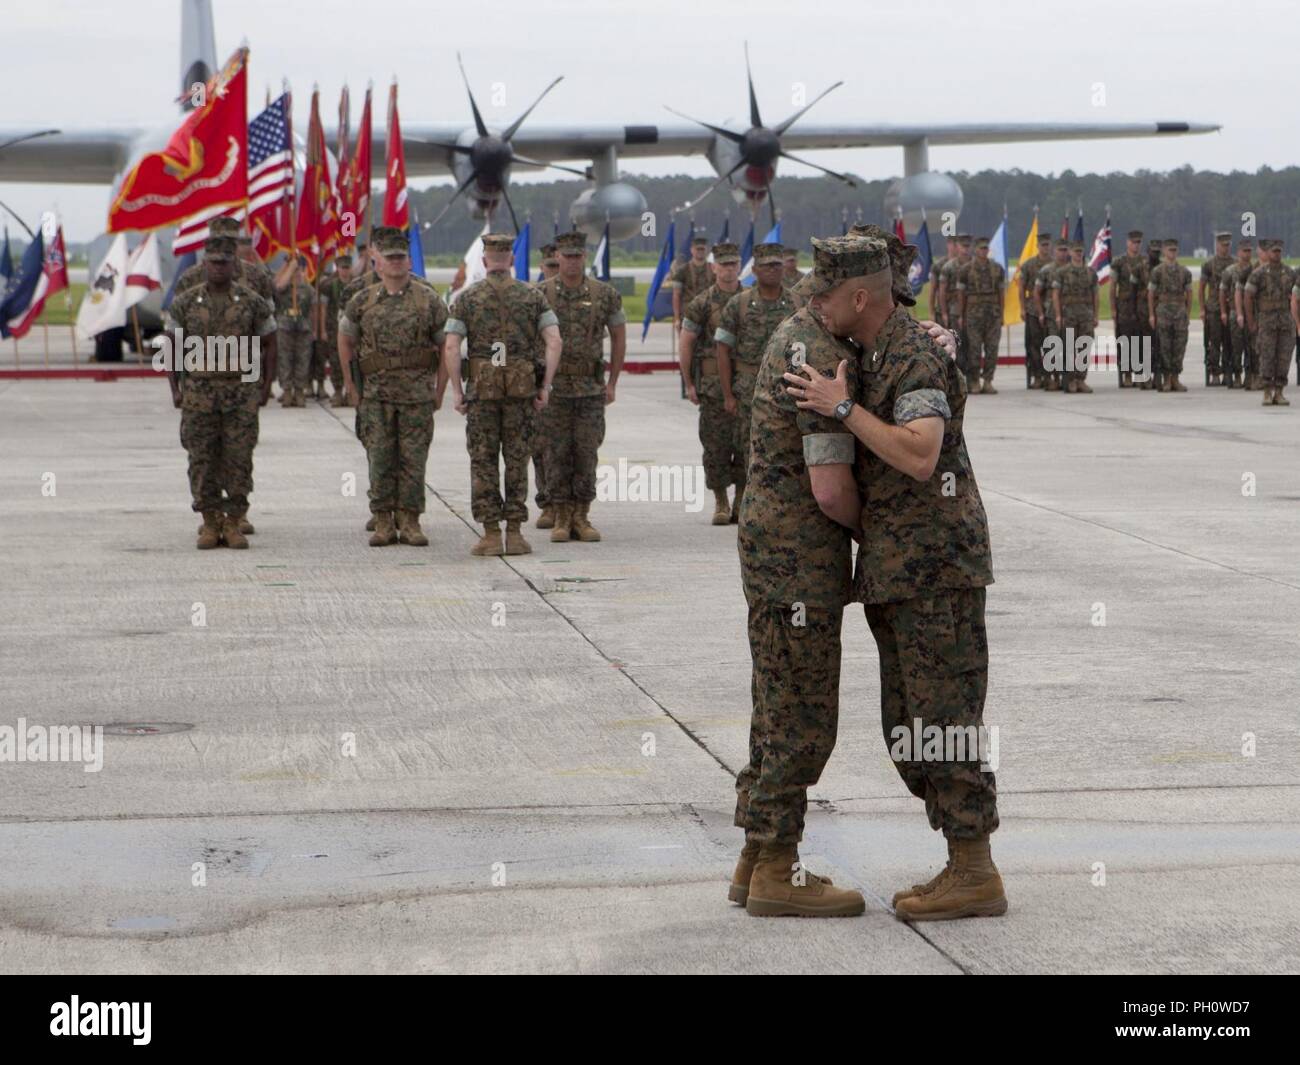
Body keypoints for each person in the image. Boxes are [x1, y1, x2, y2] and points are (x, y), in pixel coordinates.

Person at [785, 234, 1005, 923]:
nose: (814, 304)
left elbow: (919, 452)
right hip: (901, 569)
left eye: (824, 293)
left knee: (944, 718)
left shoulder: (910, 353)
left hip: (935, 569)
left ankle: (975, 867)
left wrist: (842, 409)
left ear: (859, 297)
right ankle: (960, 861)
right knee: (911, 724)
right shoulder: (883, 350)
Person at [732, 236, 869, 919]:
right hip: (799, 558)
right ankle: (778, 869)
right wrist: (877, 534)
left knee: (773, 697)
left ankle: (754, 855)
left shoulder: (791, 331)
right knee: (802, 714)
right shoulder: (817, 352)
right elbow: (827, 488)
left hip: (768, 549)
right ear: (839, 294)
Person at [442, 234, 561, 555]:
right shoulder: (532, 297)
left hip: (482, 391)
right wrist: (545, 385)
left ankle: (491, 533)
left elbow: (452, 346)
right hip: (522, 394)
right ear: (510, 260)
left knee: (483, 461)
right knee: (517, 460)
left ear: (484, 261)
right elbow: (554, 341)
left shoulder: (467, 298)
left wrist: (457, 390)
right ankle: (516, 533)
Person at [163, 235, 277, 549]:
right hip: (199, 395)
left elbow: (269, 344)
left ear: (234, 264)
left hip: (240, 394)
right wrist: (175, 388)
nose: (218, 268)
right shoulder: (186, 302)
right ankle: (210, 521)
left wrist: (266, 386)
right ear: (204, 263)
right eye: (213, 262)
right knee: (202, 458)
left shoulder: (250, 301)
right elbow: (172, 346)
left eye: (225, 262)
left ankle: (234, 520)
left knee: (239, 458)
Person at [338, 226, 449, 546]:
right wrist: (351, 386)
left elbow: (446, 346)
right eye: (390, 258)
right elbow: (345, 341)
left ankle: (411, 520)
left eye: (401, 257)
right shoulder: (362, 301)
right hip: (376, 395)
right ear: (378, 263)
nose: (396, 263)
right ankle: (384, 520)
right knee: (380, 457)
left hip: (416, 395)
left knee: (414, 460)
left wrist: (440, 389)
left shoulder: (428, 300)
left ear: (409, 261)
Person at [537, 230, 626, 543]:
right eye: (566, 256)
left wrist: (612, 381)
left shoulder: (604, 294)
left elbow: (618, 336)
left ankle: (582, 515)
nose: (572, 261)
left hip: (590, 388)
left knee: (587, 452)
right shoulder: (541, 294)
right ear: (557, 257)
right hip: (555, 389)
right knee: (555, 453)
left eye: (577, 255)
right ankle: (560, 516)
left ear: (584, 257)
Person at [716, 243, 798, 516]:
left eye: (778, 264)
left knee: (787, 447)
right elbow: (723, 350)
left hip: (788, 387)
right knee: (745, 446)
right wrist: (728, 394)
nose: (774, 270)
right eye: (767, 265)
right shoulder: (738, 305)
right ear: (754, 270)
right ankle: (744, 499)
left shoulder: (797, 304)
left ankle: (781, 503)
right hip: (747, 388)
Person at [679, 242, 743, 524]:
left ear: (740, 266)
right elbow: (686, 344)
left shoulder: (750, 299)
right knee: (715, 446)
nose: (728, 269)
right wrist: (689, 384)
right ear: (714, 267)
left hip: (745, 386)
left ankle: (742, 499)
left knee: (745, 445)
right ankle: (721, 501)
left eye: (733, 264)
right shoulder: (702, 303)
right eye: (724, 264)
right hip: (712, 387)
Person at [1245, 238, 1296, 406]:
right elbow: (1248, 296)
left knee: (1284, 357)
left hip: (1285, 321)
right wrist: (1251, 320)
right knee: (1267, 356)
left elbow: (1296, 294)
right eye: (1274, 251)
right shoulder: (1258, 273)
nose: (1277, 254)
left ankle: (1279, 392)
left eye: (1279, 251)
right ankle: (1267, 391)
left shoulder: (1289, 273)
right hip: (1266, 320)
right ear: (1267, 253)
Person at [958, 236, 1006, 394]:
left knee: (992, 348)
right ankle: (973, 381)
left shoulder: (997, 269)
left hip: (993, 314)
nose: (983, 251)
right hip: (974, 314)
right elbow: (961, 294)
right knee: (974, 349)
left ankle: (988, 381)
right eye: (981, 248)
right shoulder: (966, 270)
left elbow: (1001, 292)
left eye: (986, 248)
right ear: (975, 250)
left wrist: (1002, 313)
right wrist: (961, 314)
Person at [1052, 241, 1099, 393]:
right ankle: (1070, 380)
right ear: (1070, 253)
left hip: (1086, 314)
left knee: (1084, 347)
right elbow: (1056, 295)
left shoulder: (1090, 272)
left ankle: (1081, 379)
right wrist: (1058, 315)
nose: (1078, 254)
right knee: (1069, 348)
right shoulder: (1062, 272)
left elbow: (1095, 295)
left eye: (1080, 251)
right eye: (1076, 251)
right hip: (1069, 314)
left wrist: (1096, 315)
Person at [1147, 239, 1193, 392]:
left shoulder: (1185, 272)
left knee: (1179, 345)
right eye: (1169, 250)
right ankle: (1167, 378)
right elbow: (1151, 293)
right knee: (1165, 346)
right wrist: (1152, 315)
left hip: (1180, 311)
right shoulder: (1158, 271)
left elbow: (1189, 293)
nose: (1172, 253)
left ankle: (1175, 377)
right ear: (1164, 251)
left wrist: (1187, 312)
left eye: (1174, 250)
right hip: (1164, 311)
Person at [273, 256, 316, 407]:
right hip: (285, 327)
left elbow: (313, 311)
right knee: (285, 360)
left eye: (300, 270)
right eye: (295, 270)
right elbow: (277, 286)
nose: (297, 273)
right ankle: (287, 392)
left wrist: (315, 330)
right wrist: (289, 267)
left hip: (303, 328)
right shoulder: (285, 287)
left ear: (304, 270)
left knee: (302, 360)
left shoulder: (309, 289)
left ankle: (299, 392)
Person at [1199, 231, 1234, 386]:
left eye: (1227, 245)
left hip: (1230, 306)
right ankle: (1214, 372)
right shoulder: (1209, 264)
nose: (1225, 248)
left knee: (1230, 341)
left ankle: (1228, 371)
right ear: (1217, 245)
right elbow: (1201, 288)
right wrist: (1202, 309)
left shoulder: (1235, 263)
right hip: (1213, 308)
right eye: (1223, 245)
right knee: (1214, 341)